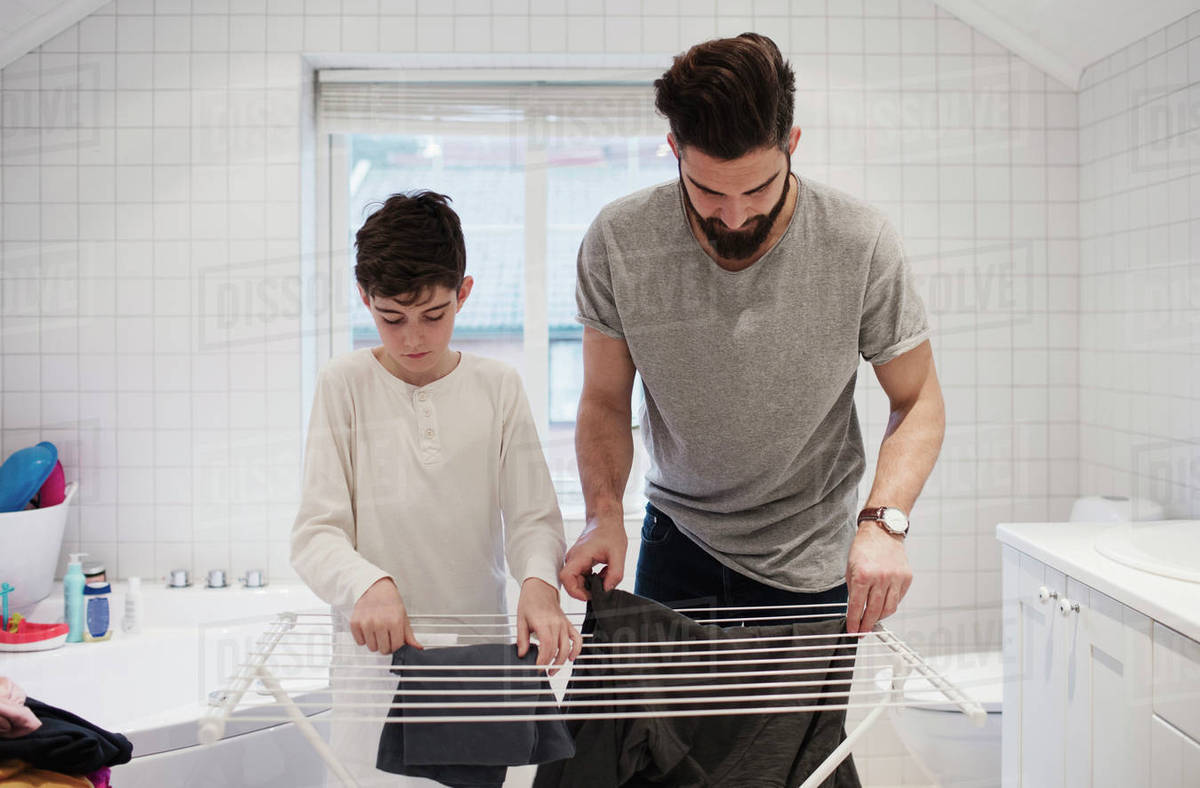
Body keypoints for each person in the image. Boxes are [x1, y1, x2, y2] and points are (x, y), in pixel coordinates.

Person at [560, 33, 946, 636]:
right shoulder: (618, 241)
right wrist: (602, 514)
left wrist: (882, 524)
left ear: (791, 146)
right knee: (652, 735)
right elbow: (604, 400)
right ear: (674, 151)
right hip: (674, 541)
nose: (735, 216)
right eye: (709, 191)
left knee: (804, 738)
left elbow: (917, 399)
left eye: (757, 189)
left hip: (810, 560)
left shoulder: (859, 242)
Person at [291, 191, 581, 783]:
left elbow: (532, 518)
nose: (413, 338)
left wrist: (538, 587)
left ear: (464, 293)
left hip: (476, 665)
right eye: (391, 318)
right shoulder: (342, 385)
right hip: (374, 669)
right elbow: (316, 534)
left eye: (434, 315)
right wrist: (367, 582)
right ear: (365, 299)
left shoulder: (498, 387)